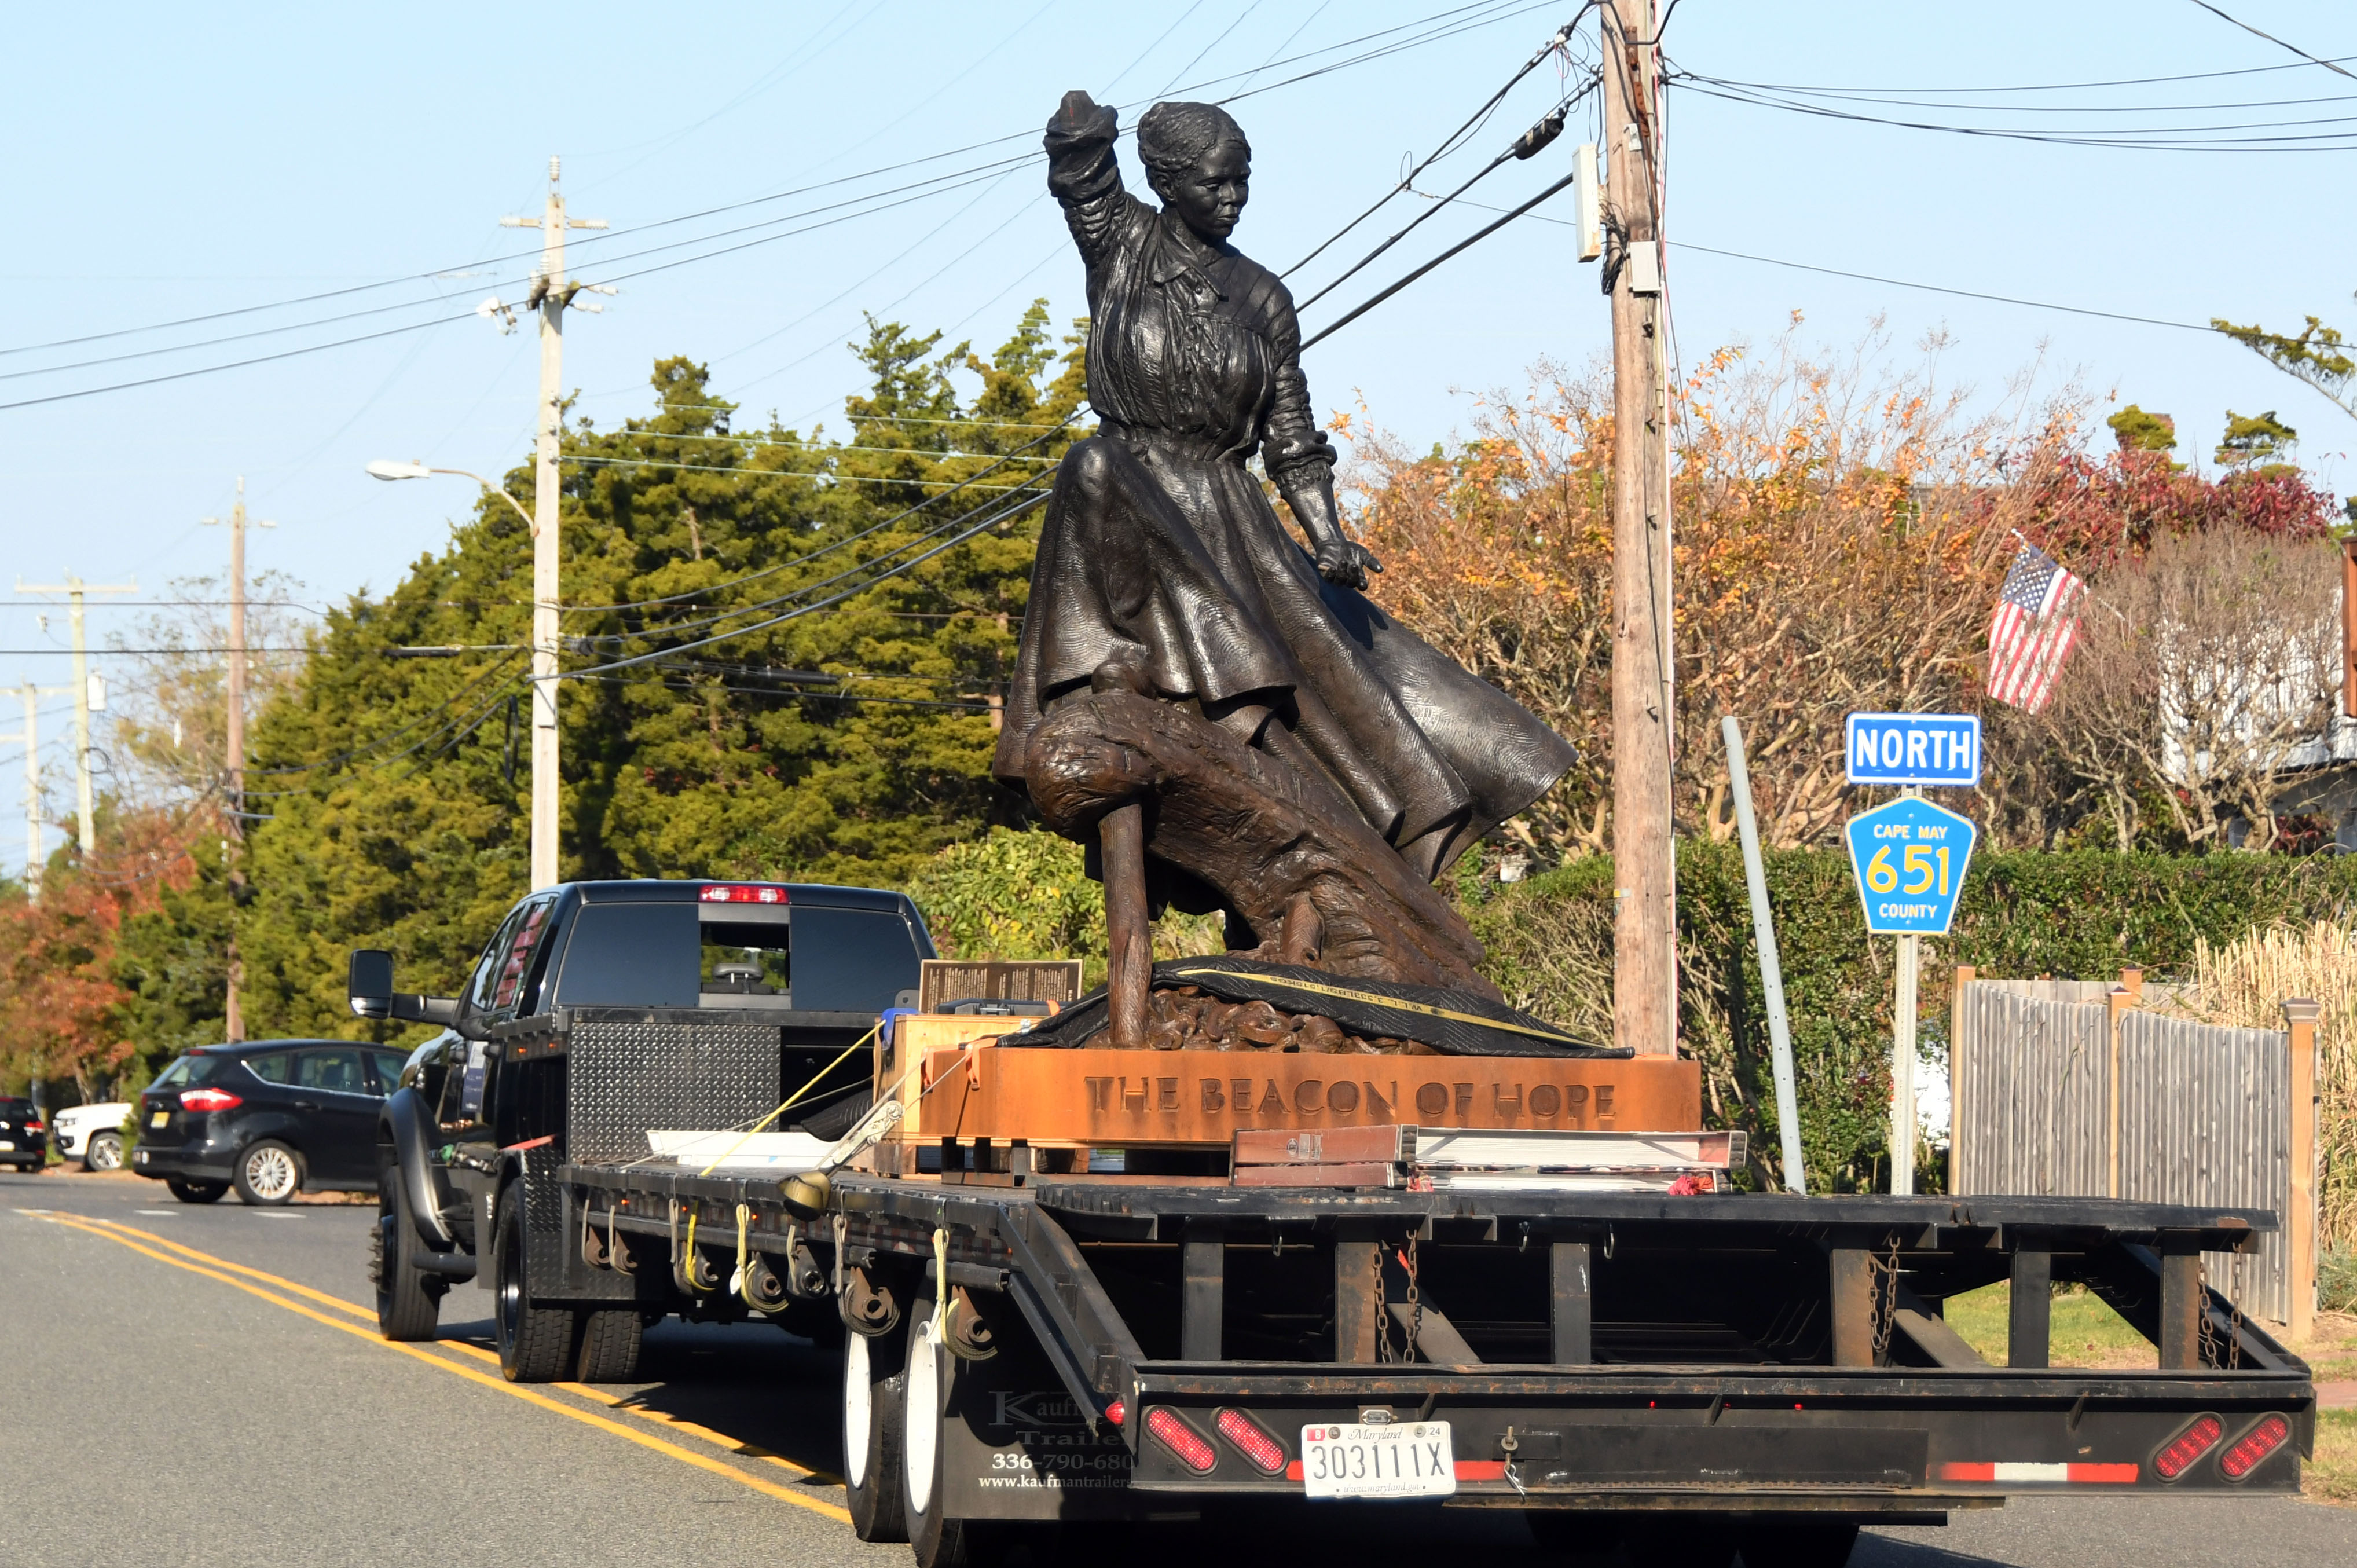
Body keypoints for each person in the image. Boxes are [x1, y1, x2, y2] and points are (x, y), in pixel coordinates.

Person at [992, 90, 1575, 884]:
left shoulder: (1265, 297)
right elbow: (1081, 174)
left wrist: (1327, 534)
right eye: (1213, 183)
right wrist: (1085, 124)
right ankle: (1116, 668)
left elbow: (1291, 436)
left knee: (1327, 704)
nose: (1231, 198)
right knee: (1088, 467)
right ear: (1167, 182)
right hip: (1125, 495)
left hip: (1226, 513)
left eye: (1242, 181)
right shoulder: (1122, 243)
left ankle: (1344, 850)